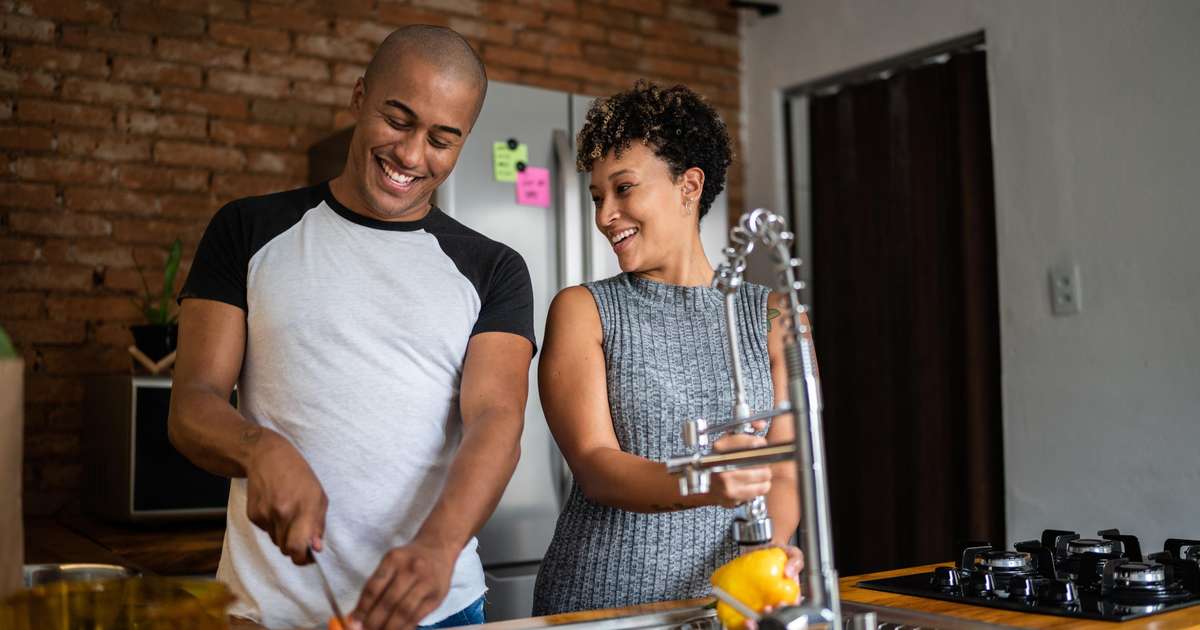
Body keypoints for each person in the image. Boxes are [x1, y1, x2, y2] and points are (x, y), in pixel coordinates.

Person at [168, 26, 536, 630]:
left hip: (435, 611)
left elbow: (496, 419)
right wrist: (259, 449)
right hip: (266, 613)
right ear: (359, 97)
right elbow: (191, 405)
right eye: (398, 119)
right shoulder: (248, 229)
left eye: (442, 140)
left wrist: (438, 547)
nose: (413, 155)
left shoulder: (493, 269)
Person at [531, 81, 805, 615]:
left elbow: (789, 469)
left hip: (729, 604)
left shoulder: (774, 316)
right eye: (596, 197)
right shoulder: (584, 310)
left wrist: (764, 565)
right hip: (599, 608)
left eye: (624, 188)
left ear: (689, 185)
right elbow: (596, 466)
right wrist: (705, 479)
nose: (604, 214)